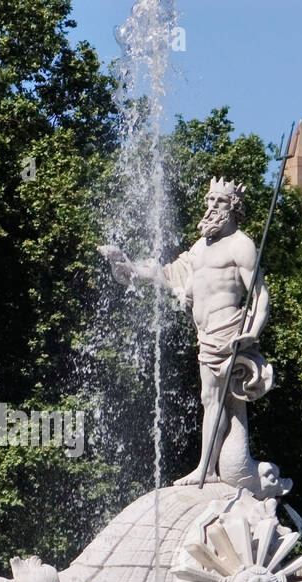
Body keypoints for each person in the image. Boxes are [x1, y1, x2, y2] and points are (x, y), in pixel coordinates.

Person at [99, 177, 273, 485]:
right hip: (205, 335)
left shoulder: (241, 244)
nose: (210, 207)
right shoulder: (199, 248)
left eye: (218, 202)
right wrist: (129, 267)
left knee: (217, 399)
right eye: (208, 200)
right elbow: (168, 274)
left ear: (232, 208)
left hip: (228, 329)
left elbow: (260, 295)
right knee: (211, 399)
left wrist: (253, 332)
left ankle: (206, 470)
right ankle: (215, 469)